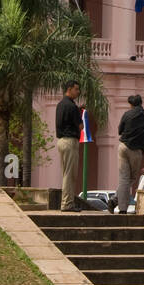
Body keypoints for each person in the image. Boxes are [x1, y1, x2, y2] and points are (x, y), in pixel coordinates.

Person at [115, 94, 144, 213]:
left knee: (123, 179)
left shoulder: (127, 114)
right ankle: (117, 200)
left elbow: (120, 130)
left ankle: (121, 208)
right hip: (136, 150)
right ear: (141, 103)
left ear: (131, 104)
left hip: (123, 146)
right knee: (131, 178)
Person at [55, 81, 83, 212]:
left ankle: (67, 202)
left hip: (61, 141)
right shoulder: (72, 106)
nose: (78, 92)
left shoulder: (60, 104)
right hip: (70, 141)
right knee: (70, 174)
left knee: (66, 173)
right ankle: (67, 203)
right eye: (76, 89)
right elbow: (80, 126)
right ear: (69, 89)